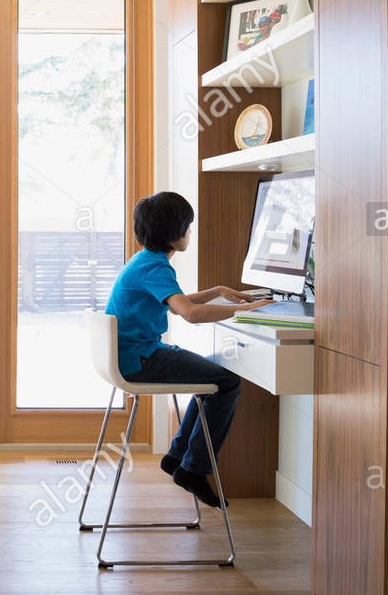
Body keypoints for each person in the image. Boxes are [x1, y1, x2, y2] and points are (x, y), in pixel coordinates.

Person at [105, 191, 270, 508]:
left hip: (132, 356)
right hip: (141, 360)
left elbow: (176, 300)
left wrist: (218, 292)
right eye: (189, 227)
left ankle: (179, 457)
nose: (190, 233)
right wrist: (247, 311)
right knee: (227, 381)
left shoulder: (144, 262)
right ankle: (192, 468)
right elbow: (189, 314)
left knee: (213, 377)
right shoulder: (157, 268)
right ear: (175, 233)